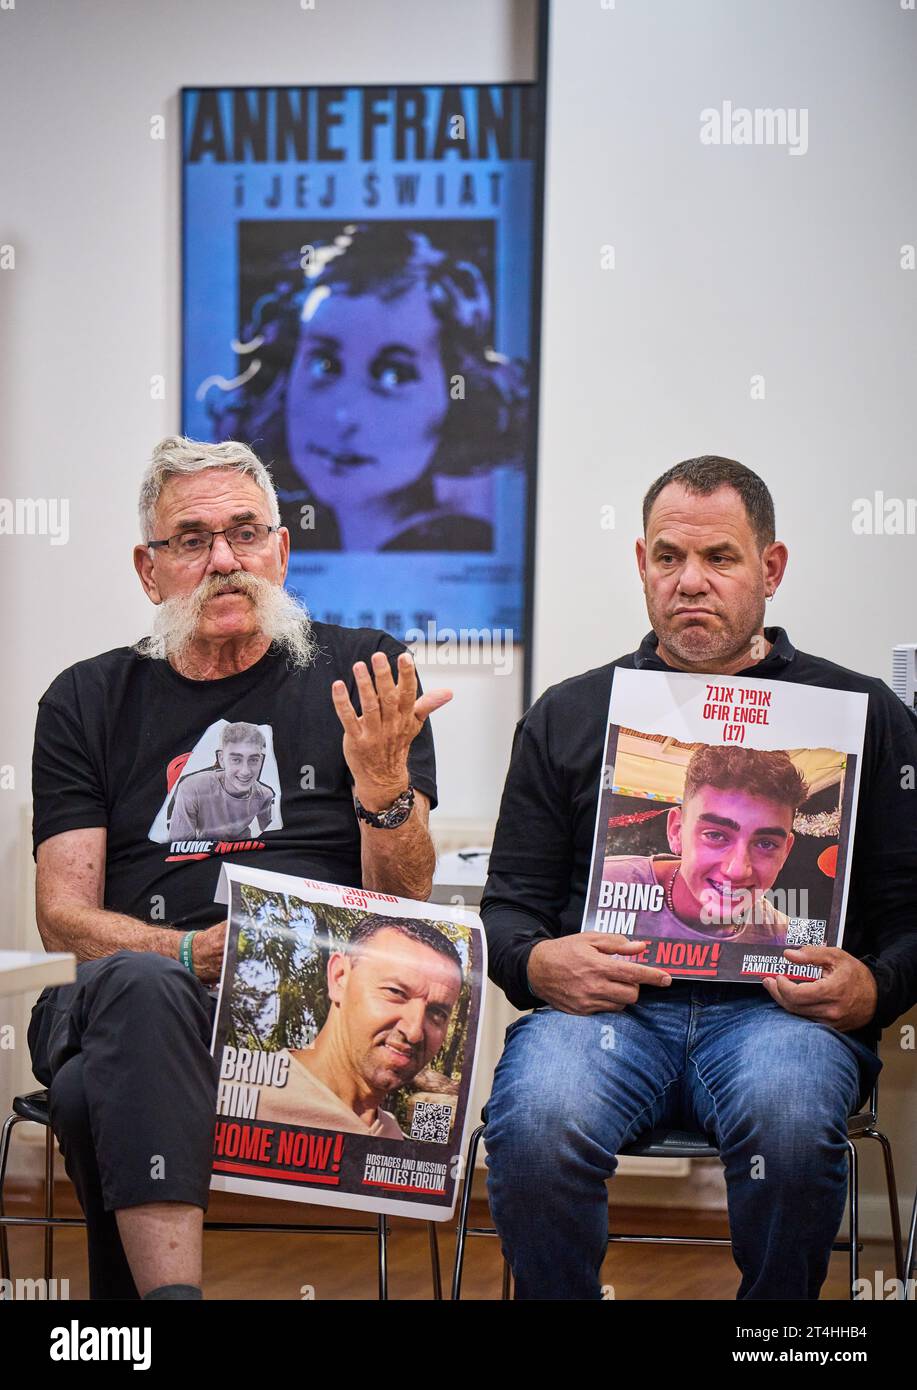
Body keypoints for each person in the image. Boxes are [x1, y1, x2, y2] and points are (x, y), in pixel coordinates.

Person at [481, 455, 917, 1301]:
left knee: (790, 1125)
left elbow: (911, 917)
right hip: (607, 1017)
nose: (691, 582)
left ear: (770, 568)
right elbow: (506, 911)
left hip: (778, 1022)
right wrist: (538, 965)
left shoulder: (866, 718)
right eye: (667, 557)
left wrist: (873, 991)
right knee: (534, 1124)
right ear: (640, 565)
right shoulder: (568, 716)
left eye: (719, 558)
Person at [27, 434, 452, 1301]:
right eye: (191, 540)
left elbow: (406, 900)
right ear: (151, 572)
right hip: (146, 991)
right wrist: (184, 954)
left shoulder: (364, 673)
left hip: (300, 1012)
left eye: (246, 532)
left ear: (281, 551)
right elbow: (62, 916)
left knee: (81, 1095)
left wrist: (381, 788)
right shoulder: (87, 698)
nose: (225, 559)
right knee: (143, 989)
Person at [200, 222, 528, 552]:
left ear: (455, 398)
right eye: (324, 365)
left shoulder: (466, 546)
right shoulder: (285, 543)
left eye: (394, 375)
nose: (344, 415)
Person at [254, 915, 464, 1139]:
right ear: (339, 977)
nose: (413, 1032)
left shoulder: (392, 1133)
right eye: (395, 992)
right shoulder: (245, 1094)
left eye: (437, 1013)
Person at [601, 744, 808, 943]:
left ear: (786, 852)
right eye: (716, 836)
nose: (737, 871)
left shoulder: (783, 930)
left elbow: (824, 948)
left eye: (765, 844)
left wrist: (839, 967)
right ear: (676, 831)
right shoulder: (603, 881)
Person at [168, 721, 275, 839]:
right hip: (204, 853)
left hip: (243, 852)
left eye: (253, 760)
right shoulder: (191, 788)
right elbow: (179, 845)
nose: (246, 771)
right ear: (221, 759)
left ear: (261, 760)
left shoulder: (265, 795)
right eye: (236, 760)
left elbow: (274, 836)